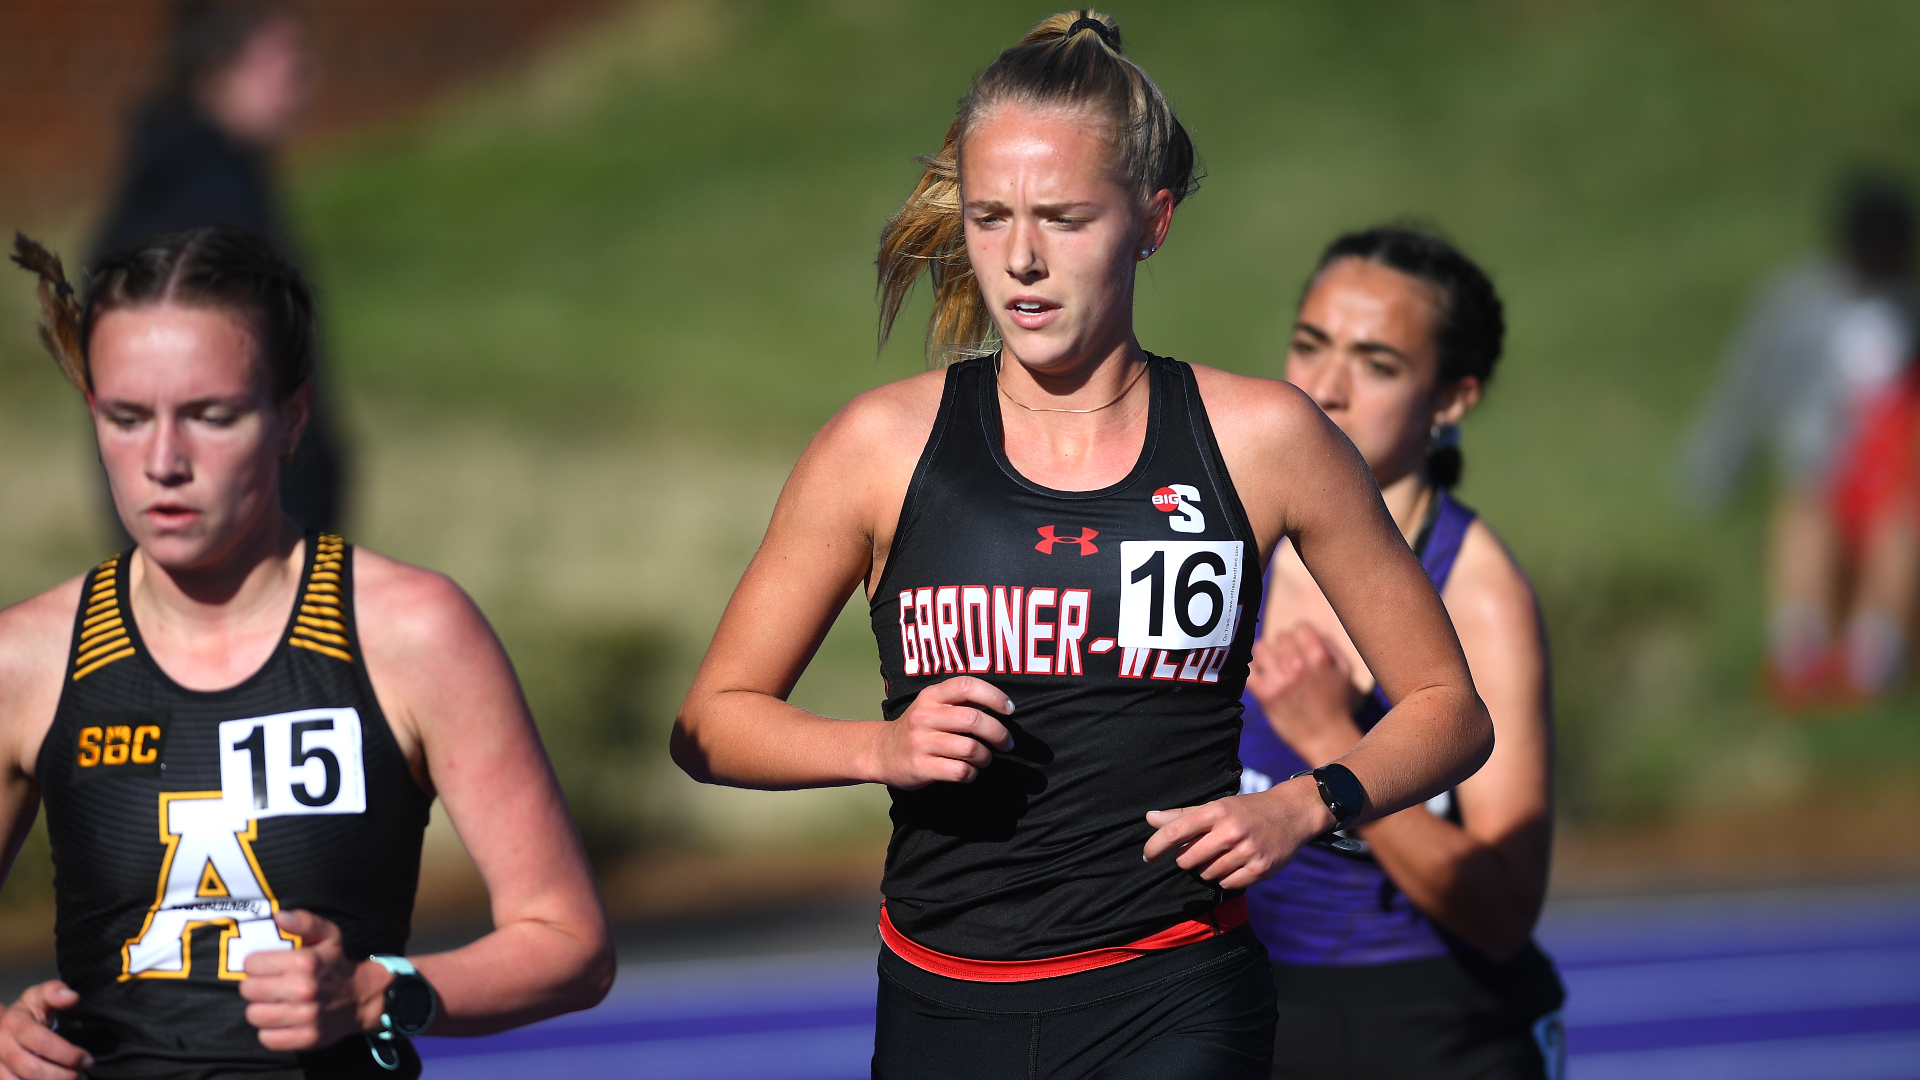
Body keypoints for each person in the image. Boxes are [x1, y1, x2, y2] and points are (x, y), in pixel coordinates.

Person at [671, 12, 1493, 1079]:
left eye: (1062, 218)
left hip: (1175, 992)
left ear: (1150, 222)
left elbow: (1449, 710)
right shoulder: (879, 445)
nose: (1020, 260)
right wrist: (875, 750)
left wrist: (1304, 803)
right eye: (989, 218)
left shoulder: (1267, 441)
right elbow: (710, 725)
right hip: (942, 1003)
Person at [0, 227, 614, 1079]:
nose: (164, 462)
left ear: (291, 417)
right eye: (127, 418)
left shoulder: (410, 632)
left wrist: (376, 992)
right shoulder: (26, 659)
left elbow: (569, 941)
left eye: (211, 416)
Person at [1234, 227, 1564, 1080]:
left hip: (1432, 1025)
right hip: (1241, 1009)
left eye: (1378, 365)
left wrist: (1333, 747)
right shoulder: (1228, 545)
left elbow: (1501, 911)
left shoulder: (1475, 594)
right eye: (1309, 347)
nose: (1327, 389)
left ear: (1452, 399)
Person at [91, 0, 346, 537]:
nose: (304, 82)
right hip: (237, 534)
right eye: (285, 62)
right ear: (218, 69)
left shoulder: (202, 176)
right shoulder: (205, 200)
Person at [1679, 177, 1918, 705]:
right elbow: (1746, 390)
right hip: (1823, 467)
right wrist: (1712, 470)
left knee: (1900, 526)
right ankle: (1801, 648)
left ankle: (1875, 655)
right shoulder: (1796, 302)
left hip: (1894, 478)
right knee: (1807, 514)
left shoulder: (1911, 307)